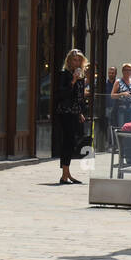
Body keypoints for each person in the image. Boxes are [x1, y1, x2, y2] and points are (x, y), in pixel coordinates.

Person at [56, 49, 88, 184]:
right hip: (65, 111)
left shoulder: (80, 75)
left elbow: (79, 97)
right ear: (69, 60)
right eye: (75, 60)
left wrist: (80, 112)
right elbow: (62, 94)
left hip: (75, 112)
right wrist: (73, 80)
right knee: (68, 141)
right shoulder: (65, 74)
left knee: (73, 142)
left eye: (79, 60)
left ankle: (67, 173)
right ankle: (64, 175)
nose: (77, 62)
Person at [111, 63, 131, 135]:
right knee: (122, 128)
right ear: (123, 71)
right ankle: (121, 144)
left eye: (129, 70)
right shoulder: (118, 82)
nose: (128, 72)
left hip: (130, 109)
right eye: (126, 70)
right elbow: (112, 95)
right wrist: (122, 94)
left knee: (130, 128)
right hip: (121, 109)